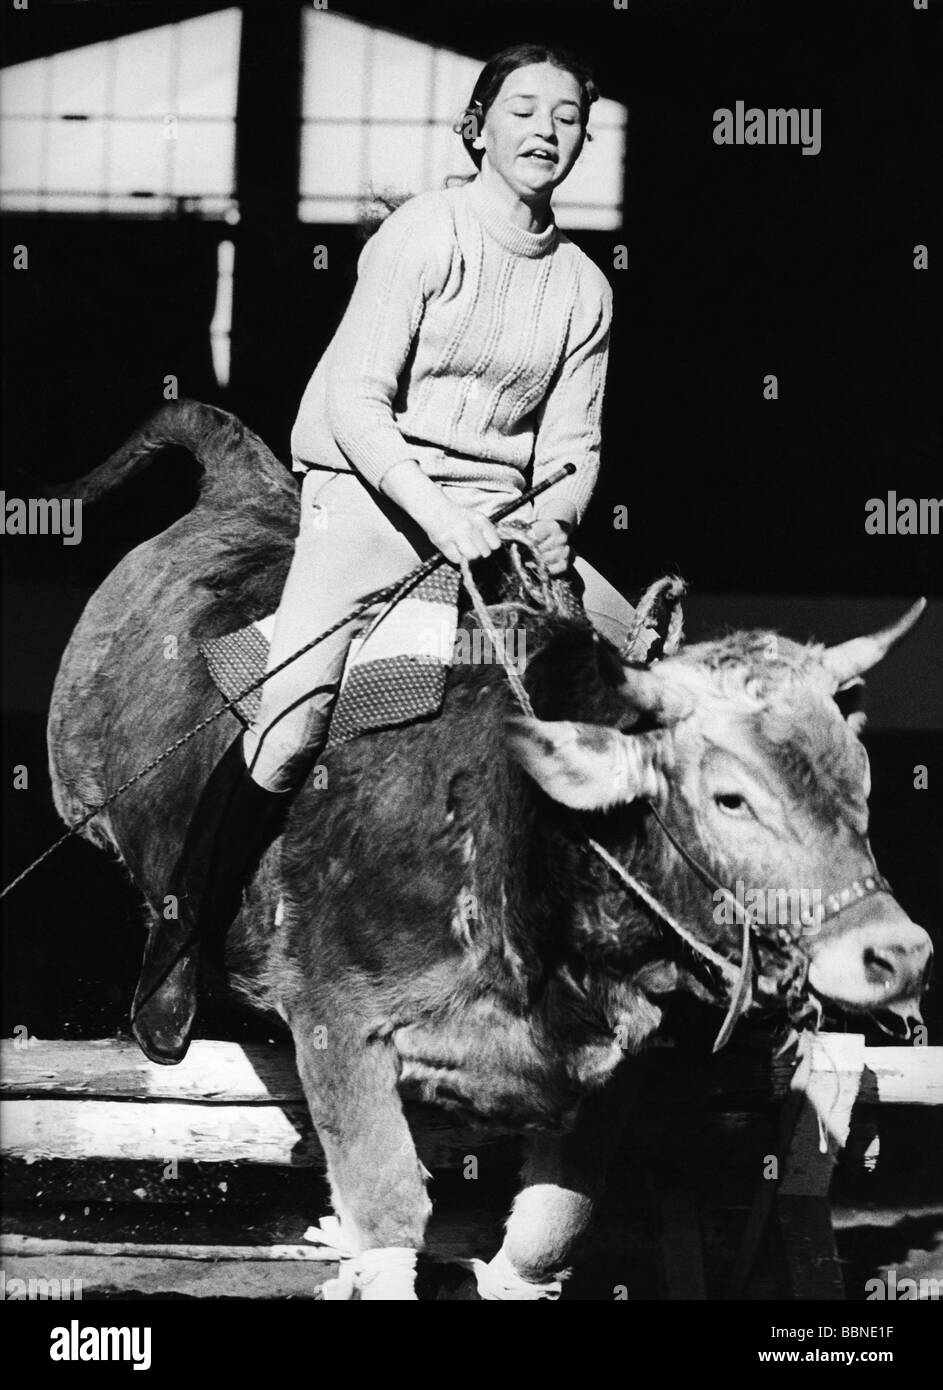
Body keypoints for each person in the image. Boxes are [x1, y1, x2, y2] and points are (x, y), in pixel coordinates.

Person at [132, 41, 634, 1064]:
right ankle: (178, 938)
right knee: (293, 717)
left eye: (569, 117)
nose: (546, 130)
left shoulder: (584, 286)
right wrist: (434, 512)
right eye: (524, 109)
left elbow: (573, 448)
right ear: (480, 125)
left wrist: (557, 513)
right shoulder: (424, 234)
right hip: (370, 494)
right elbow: (357, 404)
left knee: (643, 684)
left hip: (500, 519)